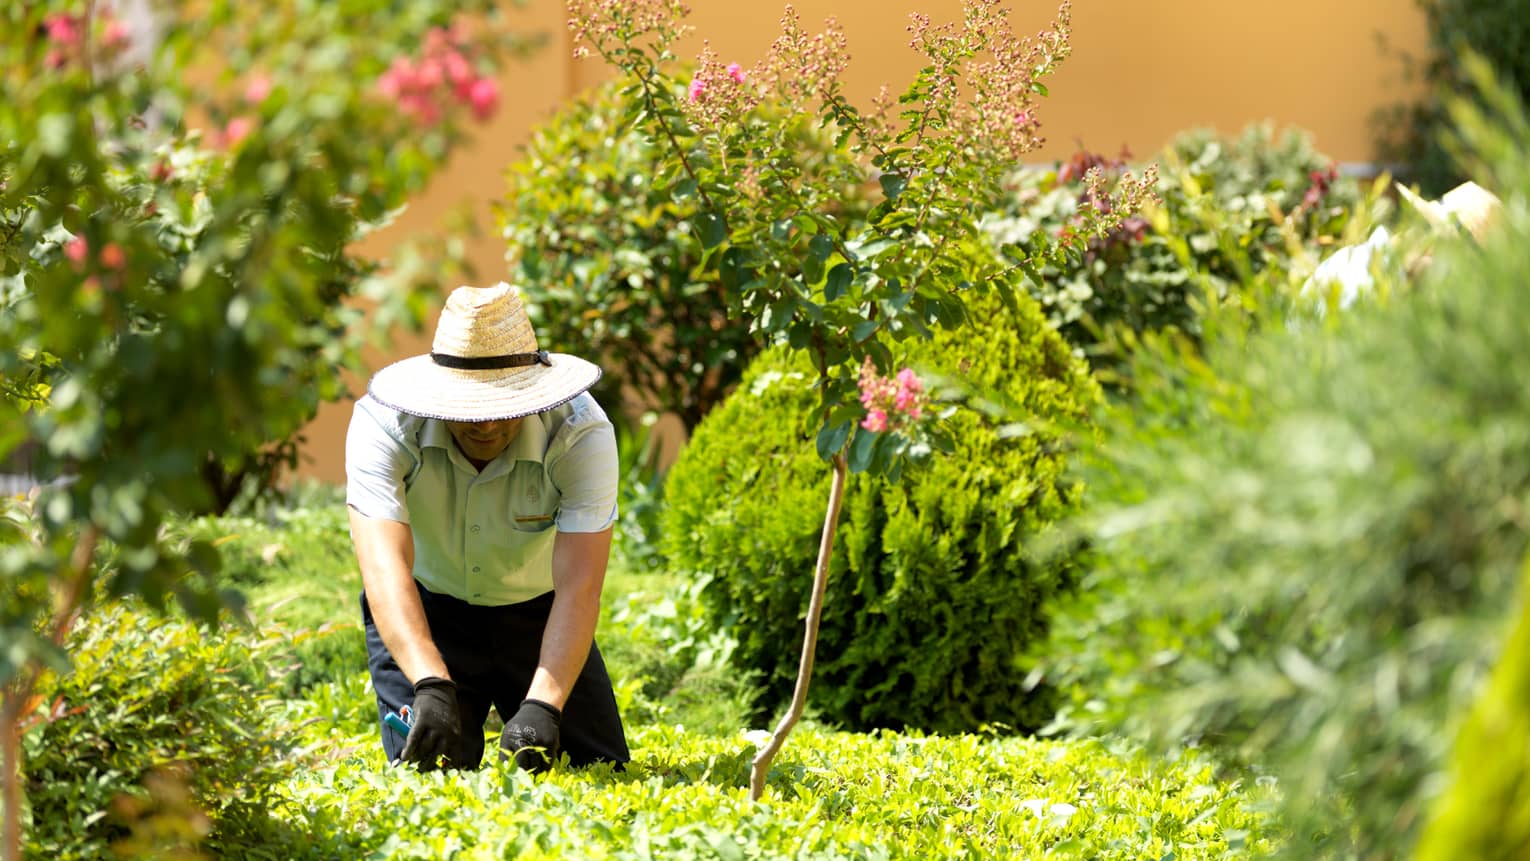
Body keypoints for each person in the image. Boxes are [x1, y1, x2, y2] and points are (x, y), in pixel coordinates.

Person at [344, 282, 628, 773]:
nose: (486, 425)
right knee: (427, 775)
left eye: (502, 407)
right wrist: (430, 683)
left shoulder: (580, 435)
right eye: (468, 408)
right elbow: (383, 566)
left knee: (600, 770)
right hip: (427, 608)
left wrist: (544, 704)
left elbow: (580, 585)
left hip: (538, 616)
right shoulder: (384, 424)